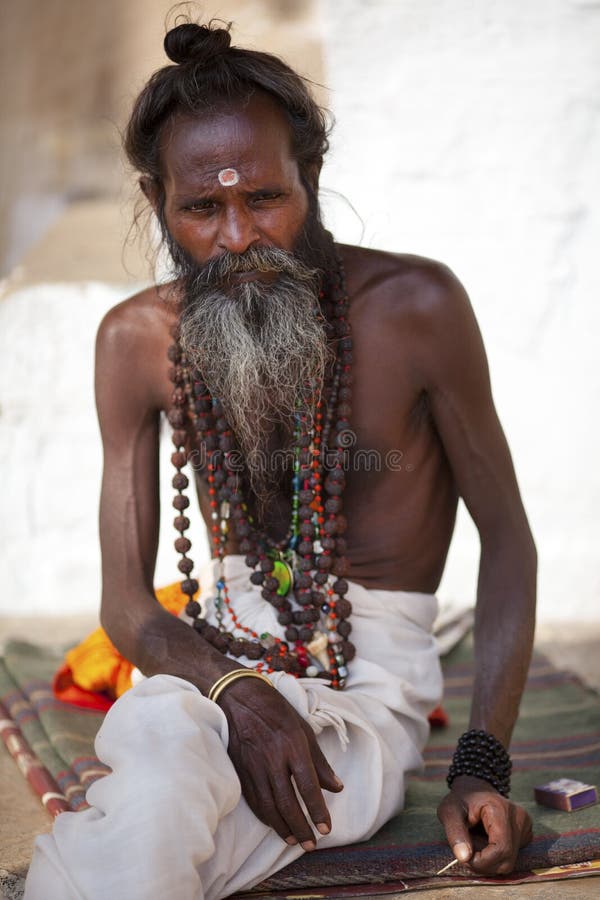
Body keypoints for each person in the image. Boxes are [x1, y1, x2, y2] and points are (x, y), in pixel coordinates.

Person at [25, 19, 536, 900]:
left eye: (264, 198)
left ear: (314, 179)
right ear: (157, 204)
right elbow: (126, 604)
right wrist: (236, 692)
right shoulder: (135, 342)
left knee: (161, 809)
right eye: (201, 207)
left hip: (365, 684)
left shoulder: (417, 307)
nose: (237, 237)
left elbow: (510, 544)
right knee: (169, 762)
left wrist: (480, 765)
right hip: (206, 665)